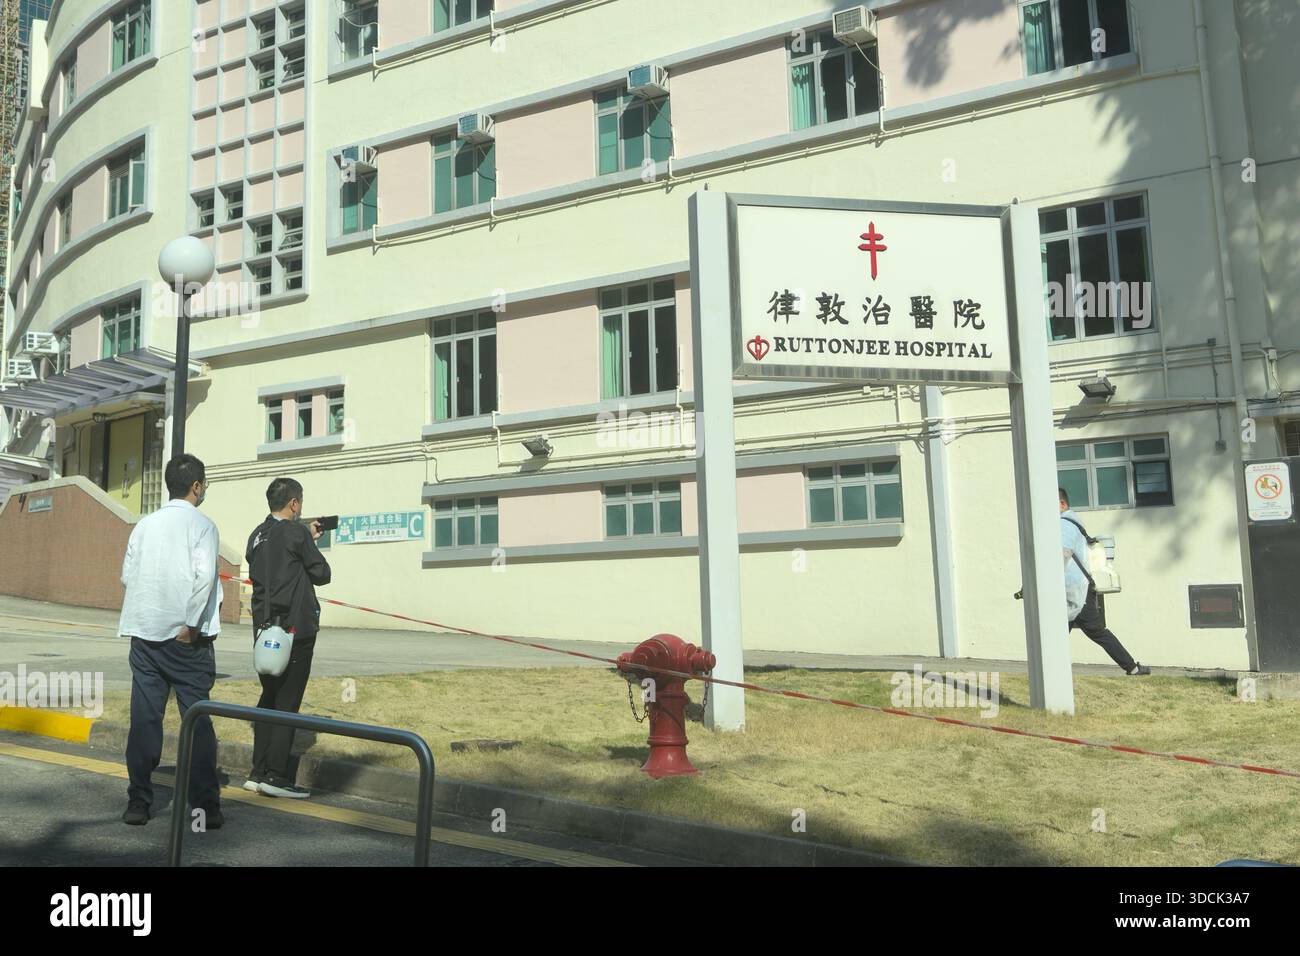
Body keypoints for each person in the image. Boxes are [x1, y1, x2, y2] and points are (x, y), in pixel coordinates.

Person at [119, 454, 224, 827]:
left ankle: (138, 802)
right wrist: (190, 626)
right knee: (196, 720)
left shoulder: (144, 525)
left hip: (144, 634)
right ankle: (204, 808)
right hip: (187, 640)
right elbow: (205, 577)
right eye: (204, 484)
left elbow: (128, 576)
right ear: (197, 486)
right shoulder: (203, 526)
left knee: (146, 720)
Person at [244, 477, 331, 799]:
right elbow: (322, 574)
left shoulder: (256, 535)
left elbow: (276, 566)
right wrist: (309, 541)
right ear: (294, 503)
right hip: (296, 629)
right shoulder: (296, 532)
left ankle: (257, 771)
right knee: (287, 702)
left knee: (269, 697)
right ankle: (276, 777)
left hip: (263, 631)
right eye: (300, 502)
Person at [1060, 487, 1150, 676]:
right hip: (1074, 592)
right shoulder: (1071, 522)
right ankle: (1132, 667)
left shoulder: (1065, 524)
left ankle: (1131, 667)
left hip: (1076, 593)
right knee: (1065, 632)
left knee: (1094, 631)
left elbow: (1062, 554)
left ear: (1062, 504)